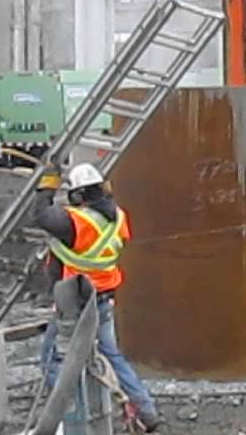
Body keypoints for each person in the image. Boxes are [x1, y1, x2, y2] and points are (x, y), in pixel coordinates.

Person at [36, 162, 163, 433]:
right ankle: (148, 413)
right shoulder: (118, 216)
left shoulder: (77, 222)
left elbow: (42, 216)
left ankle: (72, 417)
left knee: (53, 360)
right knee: (114, 358)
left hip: (75, 303)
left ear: (78, 196)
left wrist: (48, 183)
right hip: (104, 300)